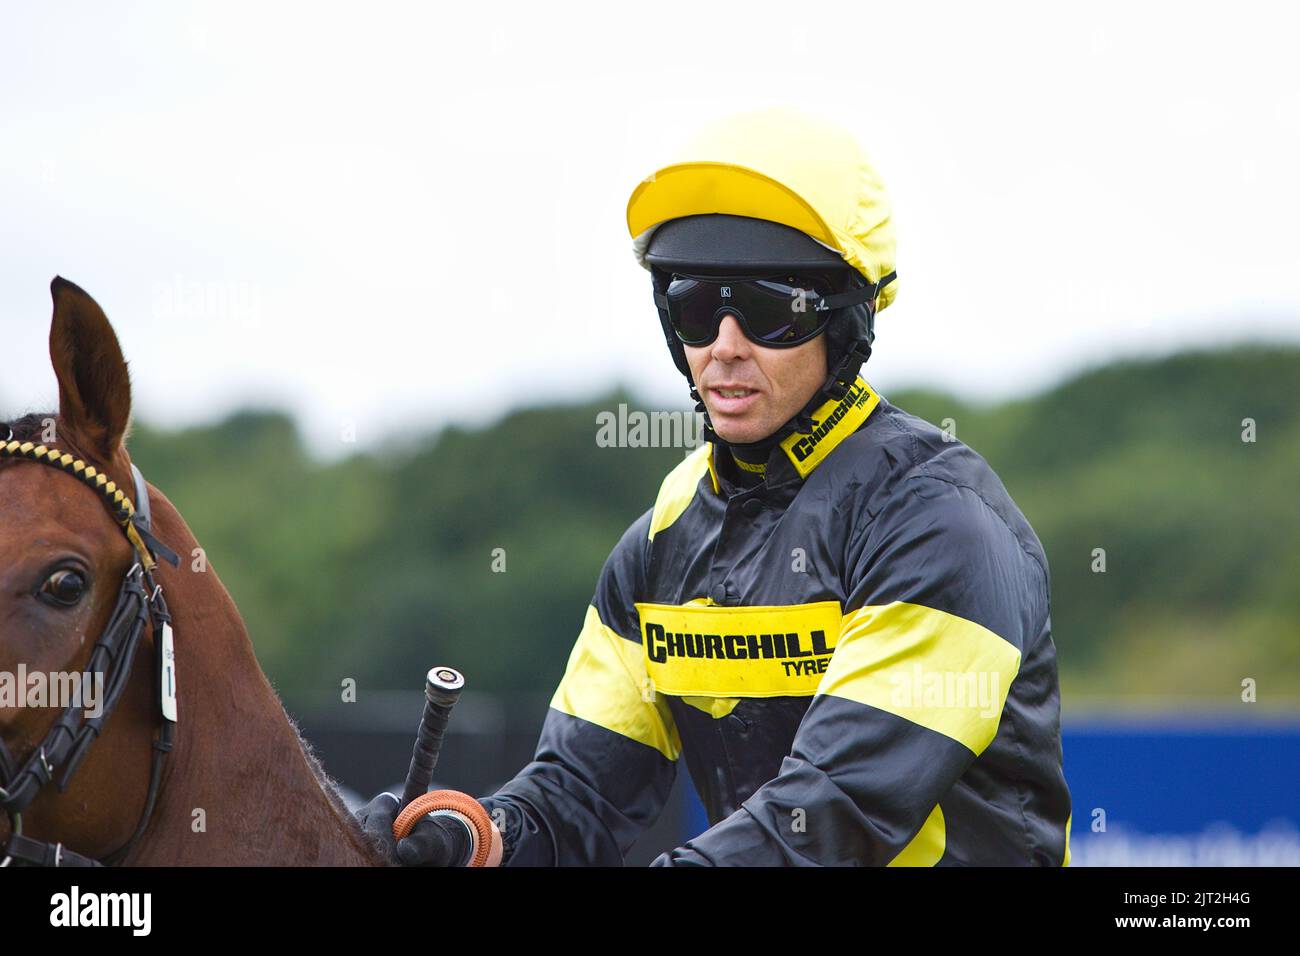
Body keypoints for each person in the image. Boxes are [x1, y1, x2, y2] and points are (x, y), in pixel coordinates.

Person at [357, 105, 1072, 866]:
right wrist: (472, 837)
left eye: (768, 311)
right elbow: (576, 795)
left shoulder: (940, 524)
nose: (725, 347)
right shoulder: (662, 539)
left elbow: (830, 817)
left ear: (847, 321)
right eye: (696, 307)